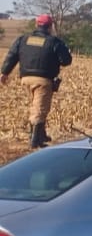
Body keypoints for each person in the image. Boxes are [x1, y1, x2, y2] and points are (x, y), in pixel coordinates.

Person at [2, 14, 73, 149]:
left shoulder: (23, 39)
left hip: (25, 79)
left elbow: (12, 56)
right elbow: (66, 61)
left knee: (36, 106)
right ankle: (34, 140)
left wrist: (4, 72)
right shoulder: (54, 42)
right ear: (50, 26)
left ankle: (41, 135)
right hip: (43, 80)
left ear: (36, 25)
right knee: (40, 108)